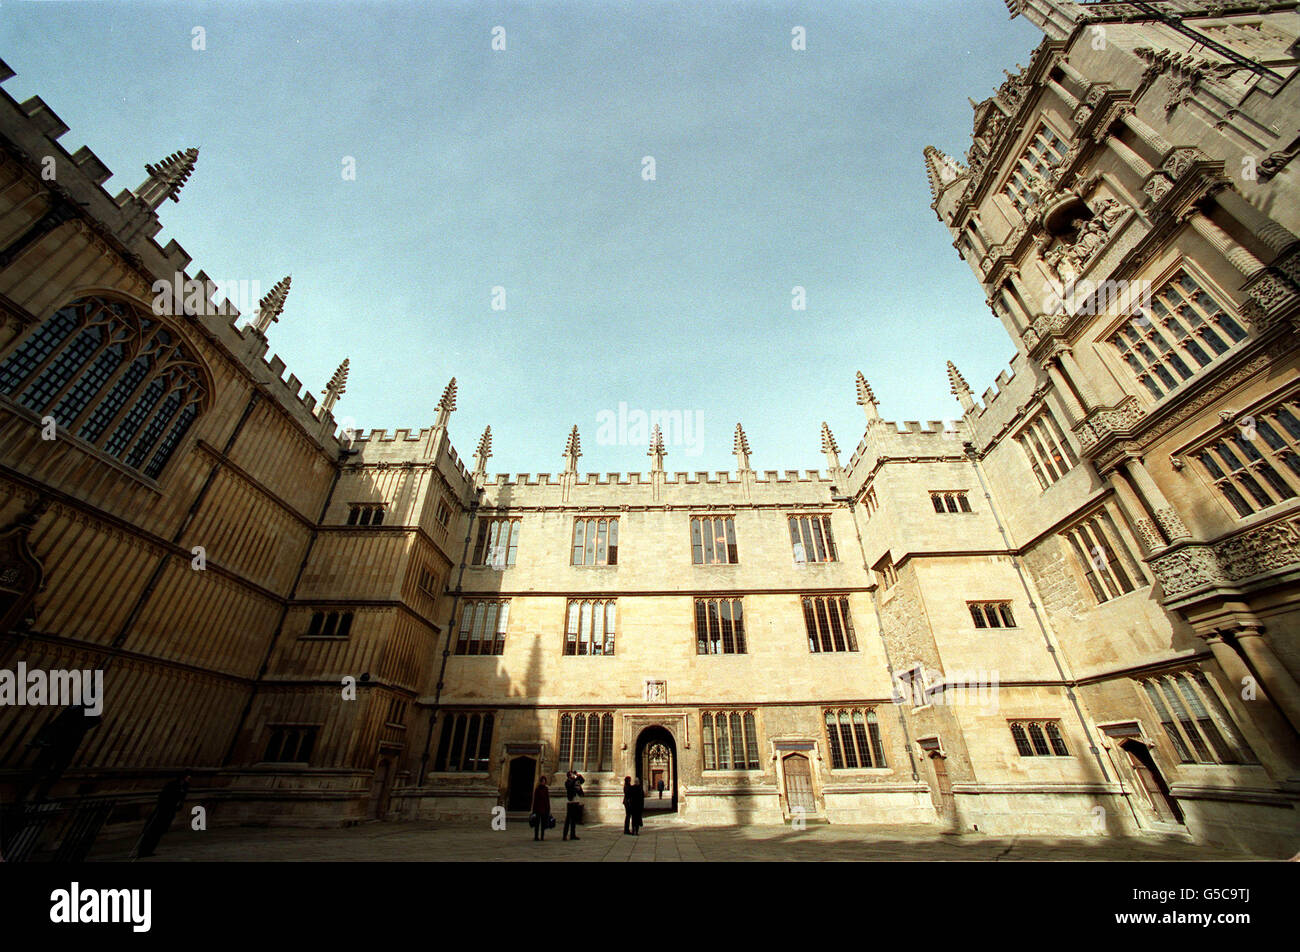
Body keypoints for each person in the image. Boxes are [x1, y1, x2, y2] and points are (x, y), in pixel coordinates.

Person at [135, 772, 190, 858]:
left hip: (170, 811)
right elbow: (163, 796)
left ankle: (149, 850)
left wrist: (179, 805)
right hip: (162, 810)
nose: (188, 778)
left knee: (159, 831)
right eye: (187, 777)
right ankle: (142, 851)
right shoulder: (172, 785)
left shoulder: (185, 786)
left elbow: (182, 798)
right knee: (152, 830)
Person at [562, 770, 584, 841]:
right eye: (572, 774)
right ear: (569, 776)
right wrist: (575, 779)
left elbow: (583, 780)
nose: (573, 775)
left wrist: (579, 775)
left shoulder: (576, 781)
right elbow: (570, 786)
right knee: (568, 819)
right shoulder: (567, 782)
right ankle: (565, 835)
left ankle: (572, 835)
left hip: (576, 801)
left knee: (574, 819)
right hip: (570, 802)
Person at [530, 775, 551, 841]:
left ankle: (542, 836)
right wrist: (534, 810)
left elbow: (547, 800)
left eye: (544, 781)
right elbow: (535, 800)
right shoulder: (537, 789)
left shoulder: (546, 789)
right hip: (538, 809)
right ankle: (536, 836)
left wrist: (548, 809)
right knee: (537, 824)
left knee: (543, 824)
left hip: (544, 809)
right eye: (542, 781)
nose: (543, 782)